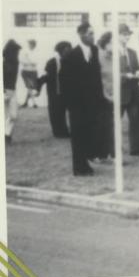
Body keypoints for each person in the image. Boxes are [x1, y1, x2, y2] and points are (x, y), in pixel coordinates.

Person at [61, 22, 104, 176]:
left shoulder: (95, 51)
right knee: (78, 134)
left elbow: (97, 76)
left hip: (93, 101)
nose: (93, 36)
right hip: (77, 103)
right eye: (90, 34)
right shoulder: (71, 55)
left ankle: (86, 161)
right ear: (81, 34)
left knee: (89, 132)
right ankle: (79, 167)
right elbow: (64, 80)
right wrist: (70, 103)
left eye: (93, 33)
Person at [118, 24, 139, 156]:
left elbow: (137, 68)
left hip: (133, 91)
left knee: (135, 120)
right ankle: (113, 151)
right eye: (124, 34)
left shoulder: (132, 52)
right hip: (119, 92)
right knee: (115, 122)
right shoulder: (111, 52)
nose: (127, 37)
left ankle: (136, 149)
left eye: (128, 34)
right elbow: (110, 73)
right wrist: (124, 76)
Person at [38, 41, 72, 138]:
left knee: (66, 111)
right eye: (66, 49)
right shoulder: (52, 62)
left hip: (67, 91)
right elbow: (45, 76)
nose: (69, 51)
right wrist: (38, 86)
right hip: (54, 92)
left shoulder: (70, 61)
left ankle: (65, 131)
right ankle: (58, 132)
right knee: (55, 112)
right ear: (60, 50)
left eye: (70, 49)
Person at [95, 32, 116, 162]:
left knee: (110, 126)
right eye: (112, 43)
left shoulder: (114, 57)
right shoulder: (98, 57)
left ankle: (109, 154)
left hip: (112, 96)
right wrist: (106, 95)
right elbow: (97, 79)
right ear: (105, 43)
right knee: (101, 126)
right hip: (101, 96)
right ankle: (100, 154)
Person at [3, 40, 22, 145]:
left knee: (13, 115)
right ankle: (6, 136)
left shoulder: (15, 63)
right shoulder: (4, 63)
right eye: (16, 51)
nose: (17, 54)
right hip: (5, 91)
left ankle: (6, 134)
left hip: (12, 91)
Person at [20, 39, 40, 108]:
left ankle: (25, 103)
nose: (30, 45)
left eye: (31, 44)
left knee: (30, 87)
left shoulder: (36, 52)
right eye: (29, 44)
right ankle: (34, 103)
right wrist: (29, 62)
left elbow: (35, 62)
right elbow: (22, 62)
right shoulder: (25, 52)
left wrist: (28, 61)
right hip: (25, 71)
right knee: (29, 86)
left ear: (34, 45)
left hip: (33, 72)